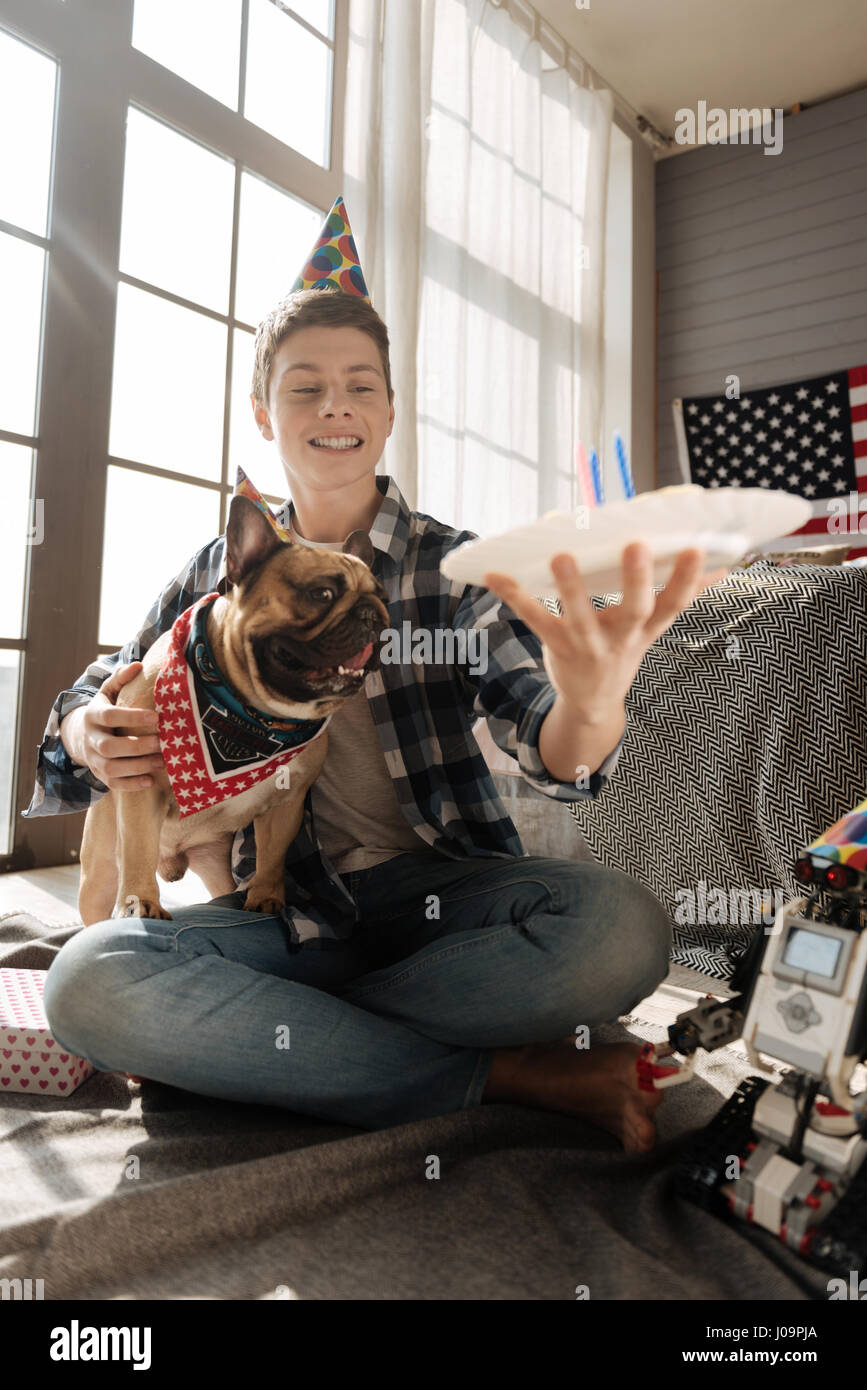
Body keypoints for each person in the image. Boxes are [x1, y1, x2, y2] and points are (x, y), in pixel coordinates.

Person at [25, 201, 726, 1150]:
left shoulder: (458, 568)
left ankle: (286, 1044)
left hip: (435, 905)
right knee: (89, 979)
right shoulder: (215, 569)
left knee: (624, 930)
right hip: (274, 914)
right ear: (264, 412)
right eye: (304, 387)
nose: (334, 406)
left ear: (390, 411)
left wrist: (593, 700)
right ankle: (501, 1070)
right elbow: (99, 691)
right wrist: (81, 730)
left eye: (359, 385)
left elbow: (549, 743)